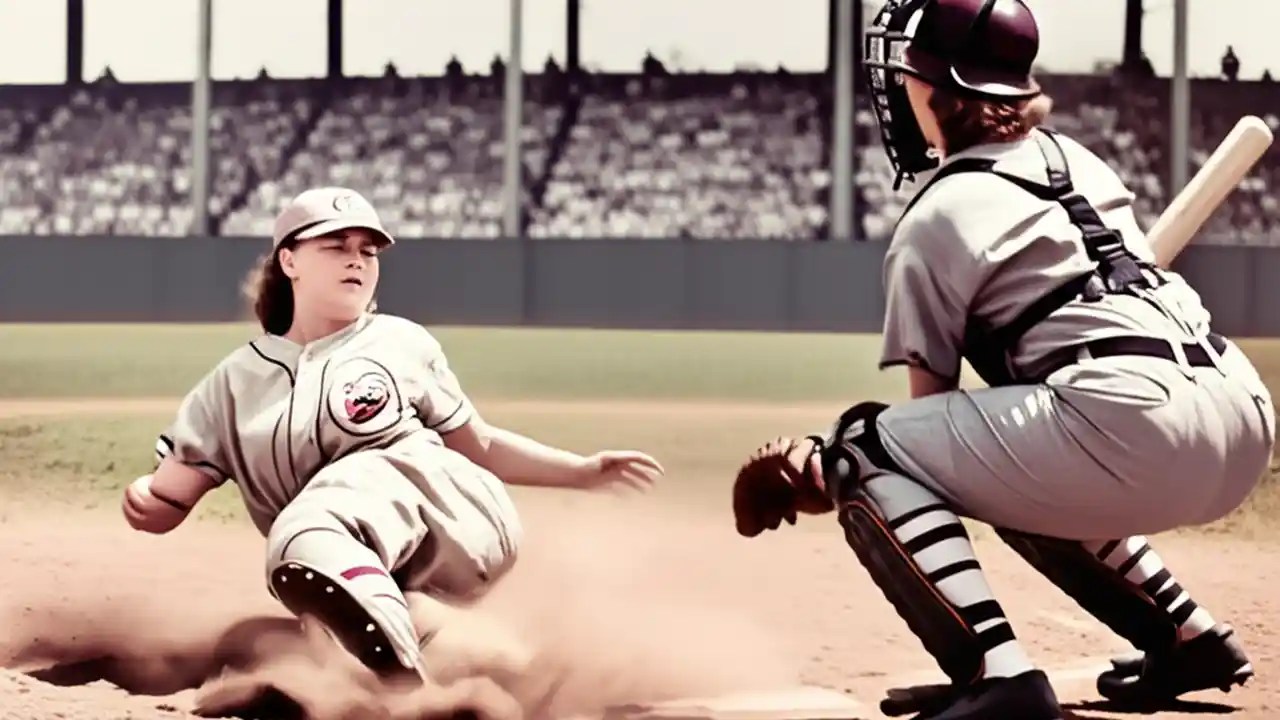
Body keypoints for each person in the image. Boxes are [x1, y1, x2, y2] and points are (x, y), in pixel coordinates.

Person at [729, 1, 1275, 718]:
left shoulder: (933, 219)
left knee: (869, 448)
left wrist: (829, 469)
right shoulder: (1075, 158)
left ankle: (998, 678)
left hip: (1134, 423)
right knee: (1022, 448)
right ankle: (1186, 637)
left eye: (910, 76)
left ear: (939, 93)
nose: (900, 89)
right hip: (1242, 410)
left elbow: (929, 430)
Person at [120, 186, 665, 684]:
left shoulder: (398, 341)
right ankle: (509, 678)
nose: (357, 258)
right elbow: (170, 496)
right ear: (289, 261)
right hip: (370, 567)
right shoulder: (230, 385)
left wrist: (582, 471)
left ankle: (394, 666)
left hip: (454, 517)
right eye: (335, 245)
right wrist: (147, 501)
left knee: (310, 526)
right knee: (274, 639)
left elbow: (479, 445)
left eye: (369, 250)